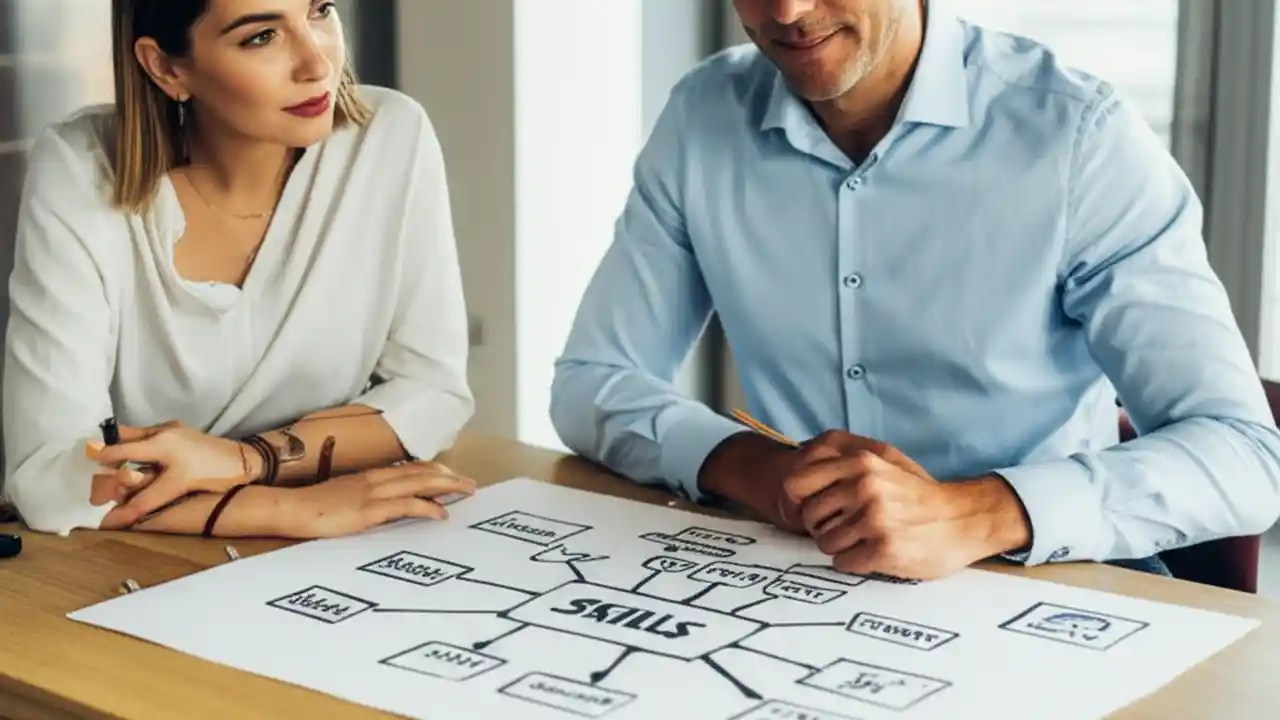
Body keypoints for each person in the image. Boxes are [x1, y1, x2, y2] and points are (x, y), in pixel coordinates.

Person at [551, 0, 1280, 580]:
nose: (787, 11)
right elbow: (592, 381)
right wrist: (760, 470)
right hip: (799, 565)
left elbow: (1244, 456)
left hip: (1046, 575)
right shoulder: (701, 117)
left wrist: (972, 513)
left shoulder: (1079, 137)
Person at [1, 0, 476, 538]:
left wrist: (245, 461)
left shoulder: (388, 137)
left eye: (320, 10)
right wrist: (292, 509)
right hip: (139, 559)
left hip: (320, 547)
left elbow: (431, 395)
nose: (317, 63)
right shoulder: (81, 166)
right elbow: (51, 475)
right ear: (167, 67)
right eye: (261, 37)